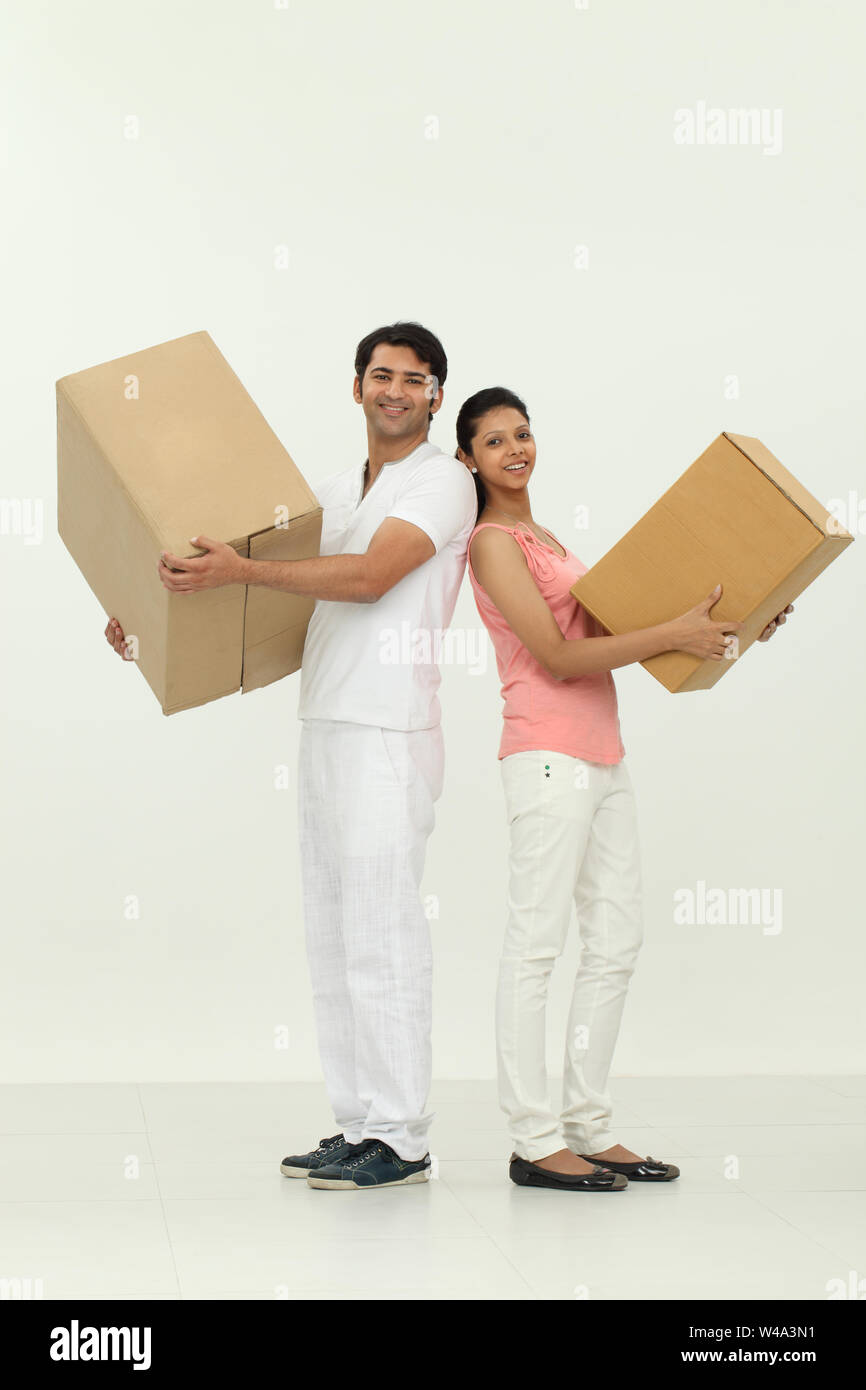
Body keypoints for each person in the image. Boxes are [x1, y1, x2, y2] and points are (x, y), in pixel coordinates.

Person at [105, 322, 478, 1191]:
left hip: (389, 734)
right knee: (335, 933)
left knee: (383, 932)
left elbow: (371, 577)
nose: (394, 390)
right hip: (326, 728)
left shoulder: (444, 484)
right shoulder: (328, 493)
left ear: (435, 396)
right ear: (355, 388)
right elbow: (271, 620)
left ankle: (404, 1136)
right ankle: (359, 1124)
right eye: (380, 375)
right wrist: (150, 623)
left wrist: (238, 572)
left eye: (414, 379)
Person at [455, 386, 793, 1193]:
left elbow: (611, 635)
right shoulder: (492, 542)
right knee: (537, 946)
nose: (516, 450)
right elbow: (559, 657)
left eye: (524, 434)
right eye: (495, 441)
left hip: (602, 755)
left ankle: (589, 1125)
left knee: (613, 945)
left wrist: (737, 621)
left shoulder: (546, 534)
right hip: (544, 755)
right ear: (468, 459)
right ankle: (534, 1141)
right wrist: (675, 632)